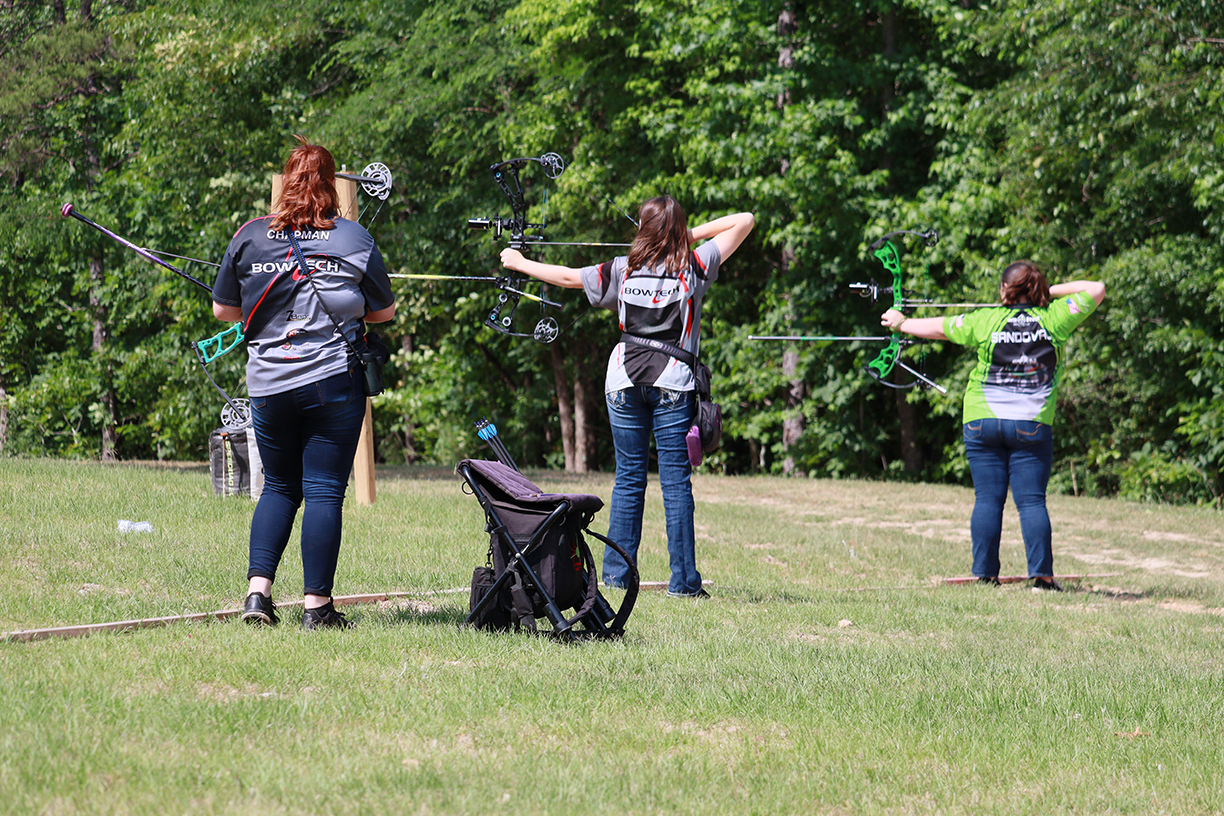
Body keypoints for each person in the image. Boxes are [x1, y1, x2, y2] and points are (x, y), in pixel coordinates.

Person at [500, 197, 754, 599]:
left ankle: (617, 577)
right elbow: (745, 219)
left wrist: (518, 263)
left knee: (629, 479)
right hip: (673, 381)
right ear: (677, 229)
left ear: (644, 228)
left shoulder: (624, 268)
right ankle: (684, 585)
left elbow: (567, 277)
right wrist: (688, 237)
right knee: (675, 485)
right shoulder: (693, 265)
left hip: (622, 380)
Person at [212, 136, 396, 629]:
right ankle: (317, 610)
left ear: (286, 184)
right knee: (323, 491)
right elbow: (385, 311)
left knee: (278, 487)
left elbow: (223, 311)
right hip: (333, 381)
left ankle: (257, 597)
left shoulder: (250, 236)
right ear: (332, 186)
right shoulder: (355, 238)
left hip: (269, 385)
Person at [880, 261, 1105, 591]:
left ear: (1004, 291)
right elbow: (1096, 288)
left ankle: (984, 576)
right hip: (1030, 423)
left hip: (981, 421)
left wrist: (902, 323)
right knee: (1031, 502)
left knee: (987, 499)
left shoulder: (987, 320)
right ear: (1036, 291)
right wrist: (1049, 292)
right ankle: (1041, 579)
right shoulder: (1056, 319)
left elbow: (943, 327)